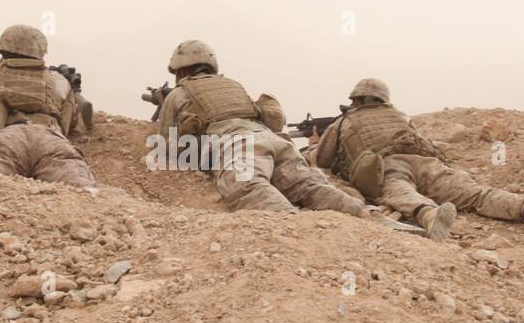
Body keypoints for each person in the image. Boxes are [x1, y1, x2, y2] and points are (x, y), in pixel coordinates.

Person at [309, 78, 524, 240]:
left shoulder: (344, 122)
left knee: (401, 194)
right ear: (383, 99)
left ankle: (428, 215)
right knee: (476, 193)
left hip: (391, 167)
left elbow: (321, 160)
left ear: (356, 99)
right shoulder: (399, 116)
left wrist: (313, 143)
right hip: (426, 162)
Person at [155, 41, 366, 217]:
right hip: (274, 140)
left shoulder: (178, 94)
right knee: (306, 184)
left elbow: (166, 147)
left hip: (239, 145)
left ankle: (290, 223)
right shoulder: (232, 85)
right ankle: (361, 212)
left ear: (180, 70)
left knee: (247, 186)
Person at [0, 25, 96, 187]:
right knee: (81, 189)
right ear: (40, 52)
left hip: (7, 139)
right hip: (50, 138)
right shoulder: (60, 81)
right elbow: (70, 123)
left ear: (2, 49)